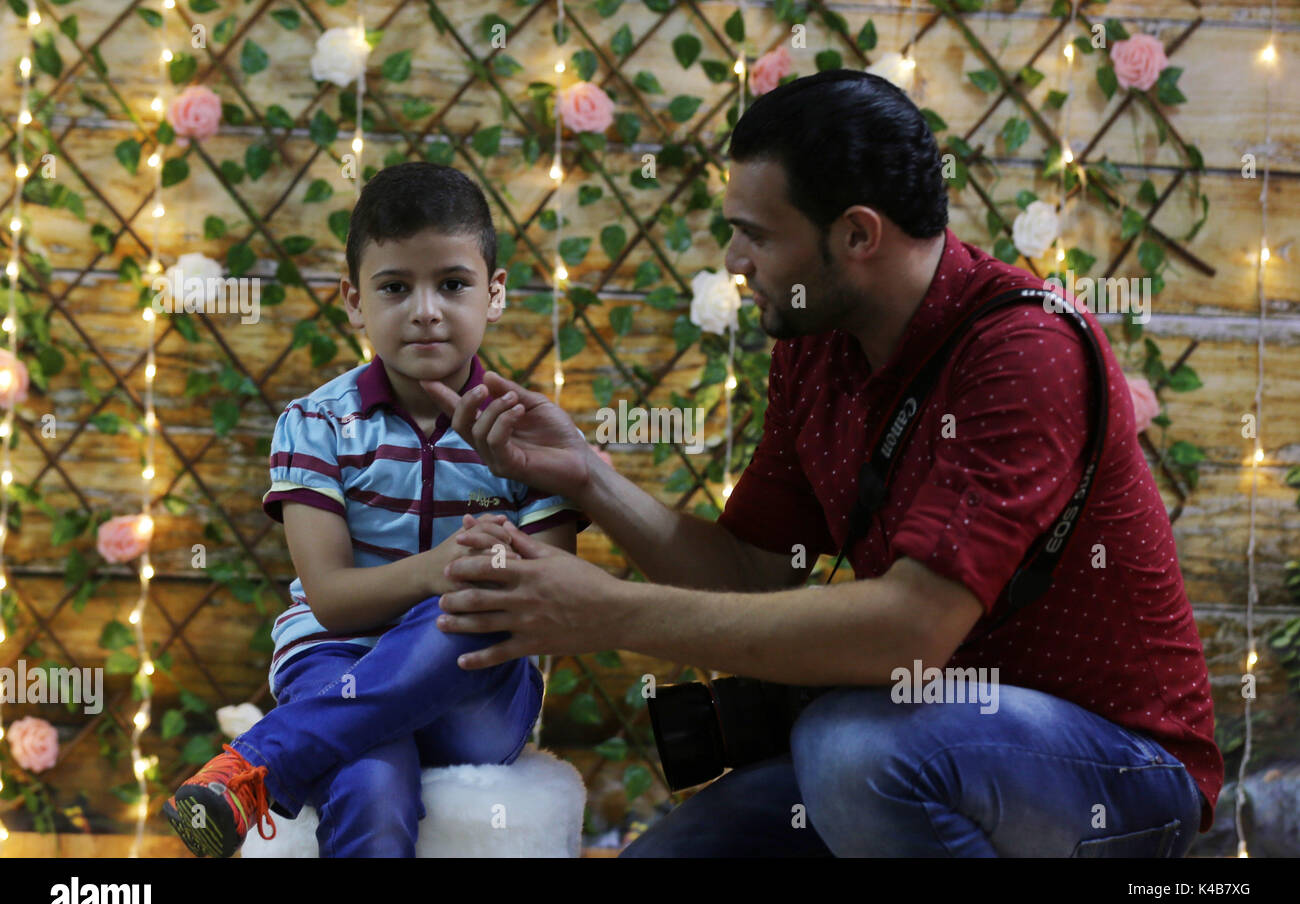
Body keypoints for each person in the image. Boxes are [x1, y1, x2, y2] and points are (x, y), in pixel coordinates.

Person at [426, 70, 1224, 857]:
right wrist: (587, 476)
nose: (736, 259)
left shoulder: (1025, 353)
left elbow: (907, 634)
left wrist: (605, 610)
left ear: (857, 235)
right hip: (907, 743)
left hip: (1116, 768)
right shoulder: (816, 345)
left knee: (851, 748)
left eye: (758, 234)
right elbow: (747, 572)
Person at [162, 162, 583, 858]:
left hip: (472, 696)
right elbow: (330, 599)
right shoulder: (316, 423)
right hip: (335, 658)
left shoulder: (530, 433)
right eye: (395, 287)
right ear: (354, 302)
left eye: (452, 284)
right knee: (369, 779)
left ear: (495, 293)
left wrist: (470, 579)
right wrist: (442, 567)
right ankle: (317, 745)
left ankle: (258, 763)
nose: (425, 309)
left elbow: (552, 597)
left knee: (474, 605)